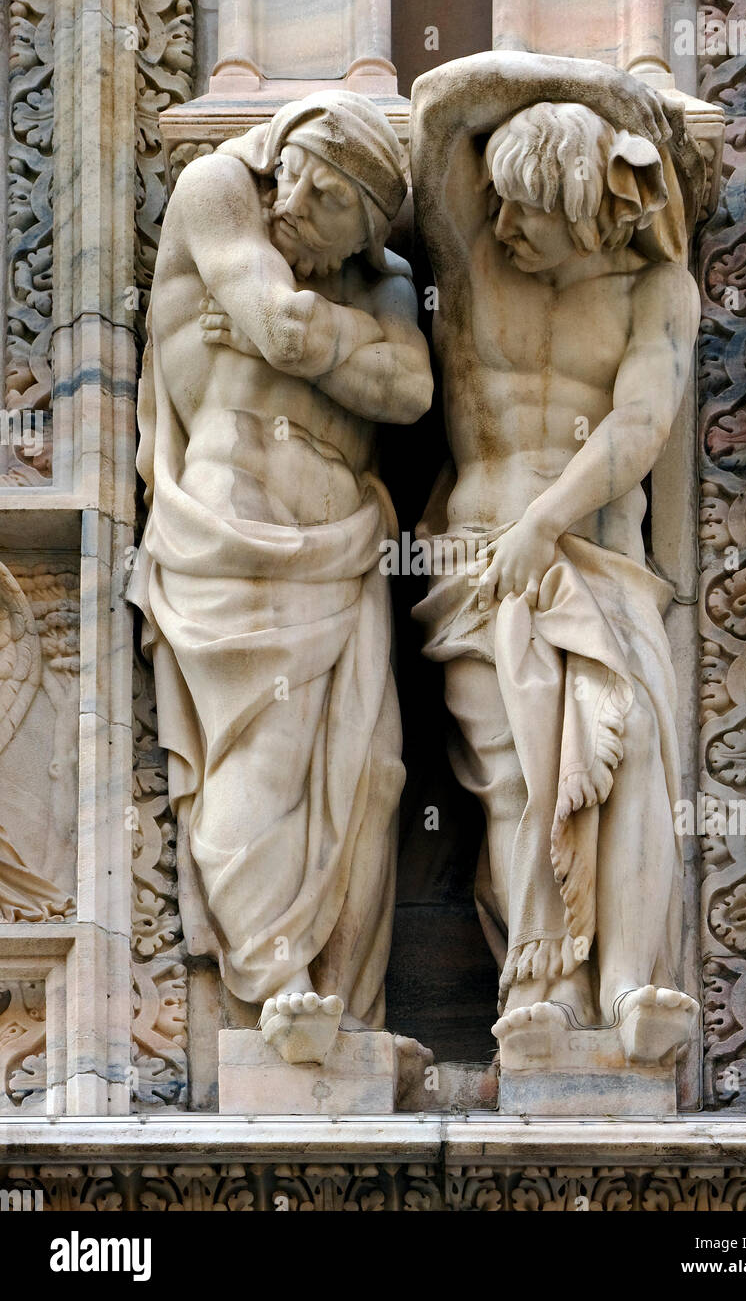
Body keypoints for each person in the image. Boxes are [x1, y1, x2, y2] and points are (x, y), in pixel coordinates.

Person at [128, 93, 432, 1065]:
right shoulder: (219, 189)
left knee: (371, 771)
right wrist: (329, 343)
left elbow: (411, 388)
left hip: (343, 545)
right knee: (259, 750)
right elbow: (275, 322)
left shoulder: (379, 279)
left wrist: (313, 334)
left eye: (330, 197)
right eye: (293, 167)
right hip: (230, 530)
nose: (294, 198)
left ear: (369, 231)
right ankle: (273, 986)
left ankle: (342, 1012)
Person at [411, 53, 702, 1063]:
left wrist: (546, 520)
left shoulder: (655, 289)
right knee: (518, 781)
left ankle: (628, 978)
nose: (500, 227)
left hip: (595, 560)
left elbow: (636, 426)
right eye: (492, 206)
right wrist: (614, 99)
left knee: (625, 758)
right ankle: (546, 983)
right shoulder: (467, 266)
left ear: (573, 201)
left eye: (521, 211)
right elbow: (441, 111)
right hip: (478, 569)